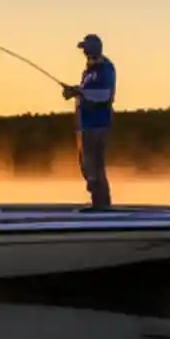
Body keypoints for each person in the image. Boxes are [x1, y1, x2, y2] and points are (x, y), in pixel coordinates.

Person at [62, 34, 116, 209]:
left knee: (94, 168)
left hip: (97, 125)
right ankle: (98, 204)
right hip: (85, 126)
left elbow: (103, 95)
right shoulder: (89, 71)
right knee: (88, 168)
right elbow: (87, 92)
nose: (84, 52)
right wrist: (75, 91)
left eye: (86, 48)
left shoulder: (105, 69)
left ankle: (102, 207)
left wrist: (78, 92)